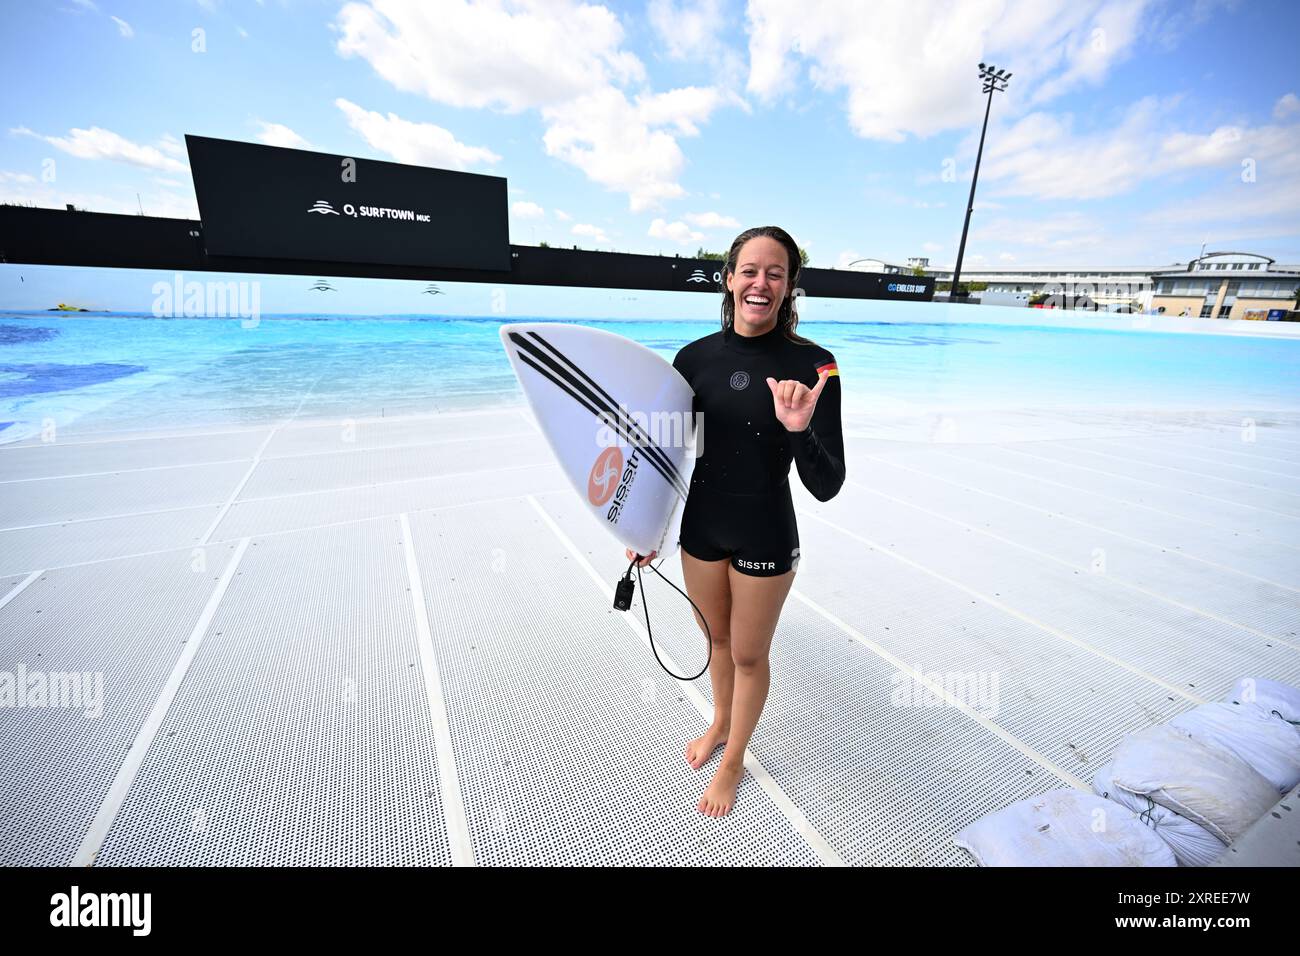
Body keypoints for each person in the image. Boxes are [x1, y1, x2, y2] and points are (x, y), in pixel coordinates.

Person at [625, 225, 846, 817]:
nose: (761, 283)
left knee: (748, 654)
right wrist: (644, 529)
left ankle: (733, 759)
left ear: (790, 286)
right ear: (729, 279)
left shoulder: (815, 366)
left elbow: (827, 485)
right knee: (716, 639)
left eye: (776, 273)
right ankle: (721, 720)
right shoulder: (692, 359)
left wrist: (797, 429)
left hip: (766, 528)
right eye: (750, 270)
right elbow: (669, 454)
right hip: (702, 528)